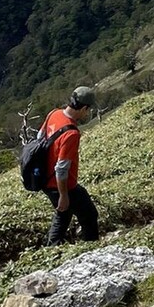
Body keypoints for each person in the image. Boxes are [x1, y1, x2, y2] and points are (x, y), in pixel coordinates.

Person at [42, 86, 100, 246]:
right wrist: (63, 194)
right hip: (61, 184)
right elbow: (61, 169)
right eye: (87, 110)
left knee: (64, 214)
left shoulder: (53, 114)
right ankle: (91, 248)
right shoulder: (71, 133)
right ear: (84, 108)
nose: (87, 114)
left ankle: (51, 249)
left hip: (45, 178)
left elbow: (40, 138)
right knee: (88, 214)